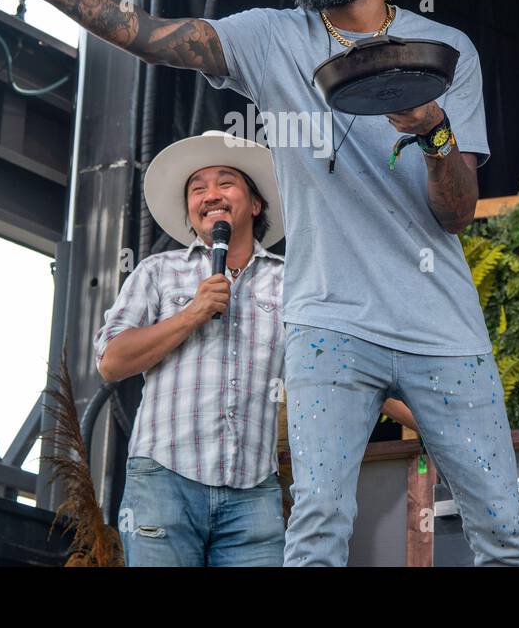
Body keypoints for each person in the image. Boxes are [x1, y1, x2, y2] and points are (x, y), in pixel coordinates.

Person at [0, 0, 519, 567]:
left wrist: (433, 130)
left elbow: (455, 213)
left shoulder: (445, 52)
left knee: (503, 530)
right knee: (318, 527)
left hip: (441, 326)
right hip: (327, 324)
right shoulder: (271, 38)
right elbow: (154, 36)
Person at [96, 129, 415, 566]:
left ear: (256, 203)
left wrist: (432, 423)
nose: (210, 194)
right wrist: (192, 313)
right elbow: (111, 361)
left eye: (225, 182)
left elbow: (346, 365)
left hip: (253, 494)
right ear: (190, 212)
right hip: (162, 482)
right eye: (197, 188)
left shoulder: (294, 282)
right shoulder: (157, 271)